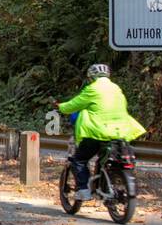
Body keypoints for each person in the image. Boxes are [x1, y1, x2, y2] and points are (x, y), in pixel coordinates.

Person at [53, 64, 146, 200]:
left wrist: (60, 106)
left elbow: (72, 106)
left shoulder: (92, 89)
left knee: (79, 160)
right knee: (108, 160)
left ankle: (84, 190)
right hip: (120, 132)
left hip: (98, 132)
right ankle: (106, 184)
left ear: (91, 77)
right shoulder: (117, 89)